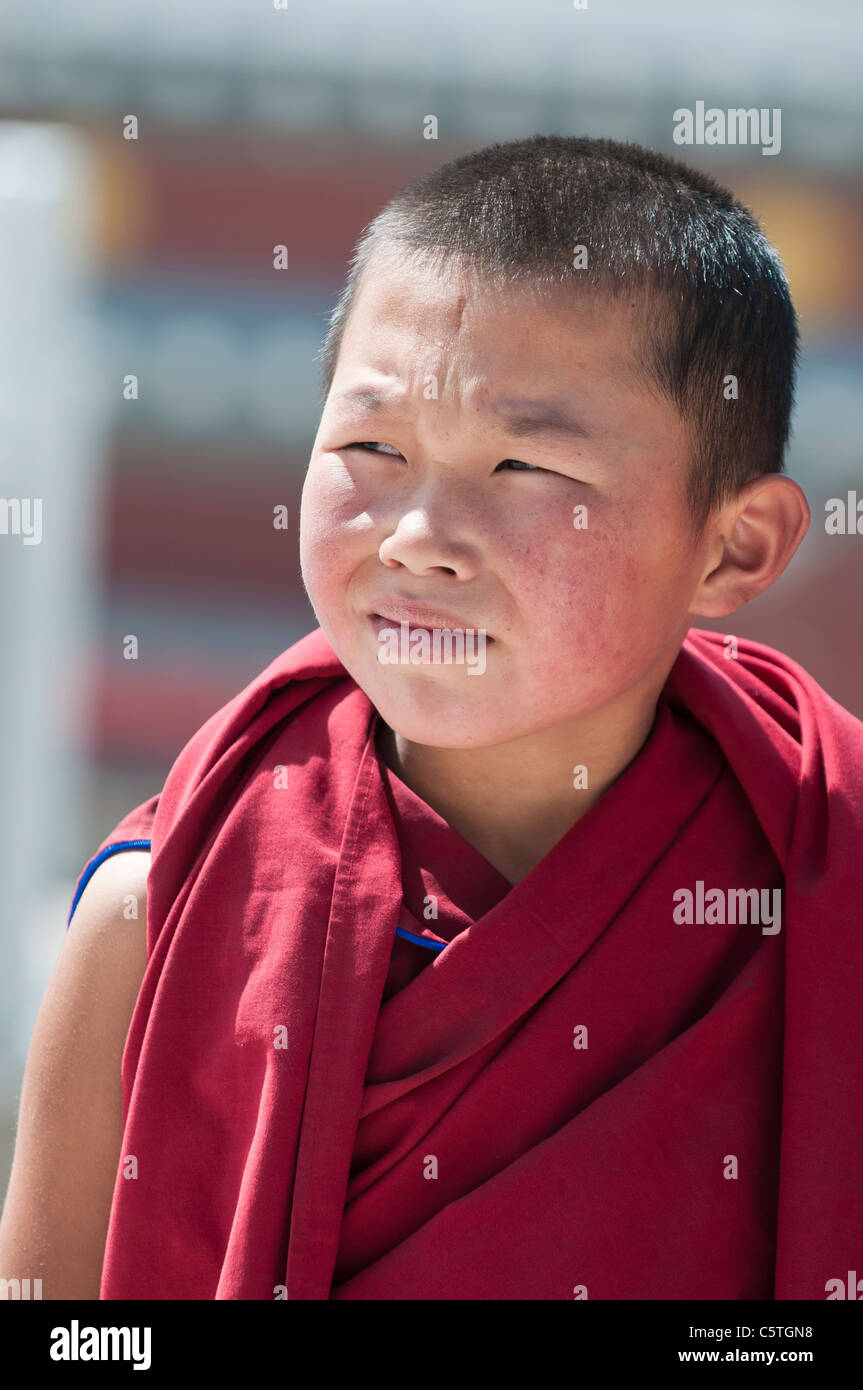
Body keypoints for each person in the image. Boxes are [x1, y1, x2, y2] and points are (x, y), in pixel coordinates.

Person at [2, 134, 861, 1301]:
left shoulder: (821, 884)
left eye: (522, 468)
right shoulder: (159, 911)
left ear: (732, 544)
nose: (416, 538)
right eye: (370, 447)